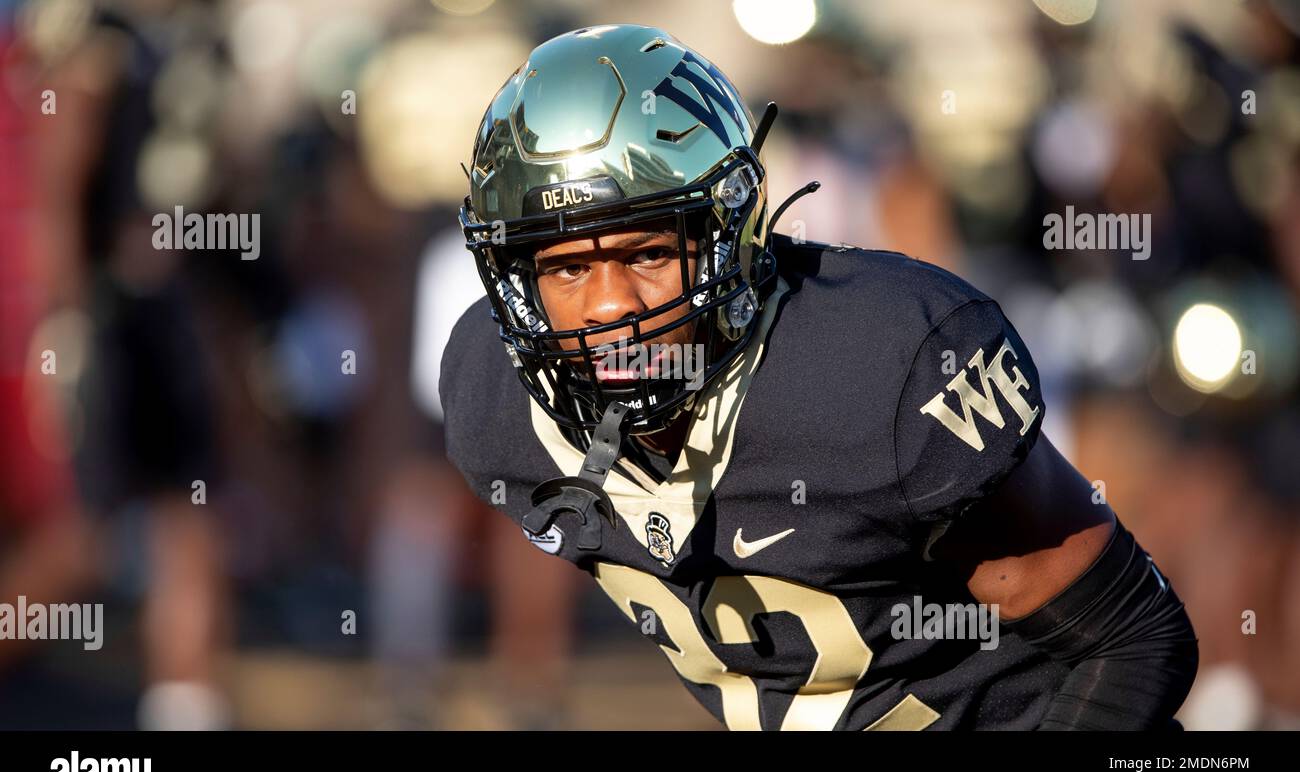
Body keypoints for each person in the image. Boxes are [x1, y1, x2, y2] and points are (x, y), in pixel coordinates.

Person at [439, 24, 1197, 730]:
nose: (609, 307)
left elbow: (1132, 639)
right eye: (568, 267)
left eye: (647, 254)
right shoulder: (493, 400)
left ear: (727, 233)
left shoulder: (879, 368)